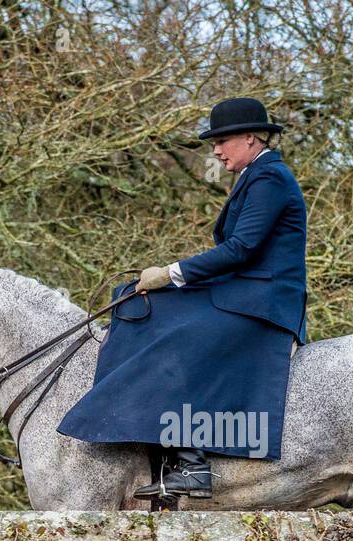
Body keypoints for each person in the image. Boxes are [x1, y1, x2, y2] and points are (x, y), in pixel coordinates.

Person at [56, 96, 308, 501]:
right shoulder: (255, 175)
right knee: (133, 302)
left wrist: (173, 273)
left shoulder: (270, 178)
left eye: (222, 141)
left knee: (177, 331)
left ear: (249, 137)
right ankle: (149, 438)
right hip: (242, 291)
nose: (215, 150)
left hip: (265, 300)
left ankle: (192, 463)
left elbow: (242, 248)